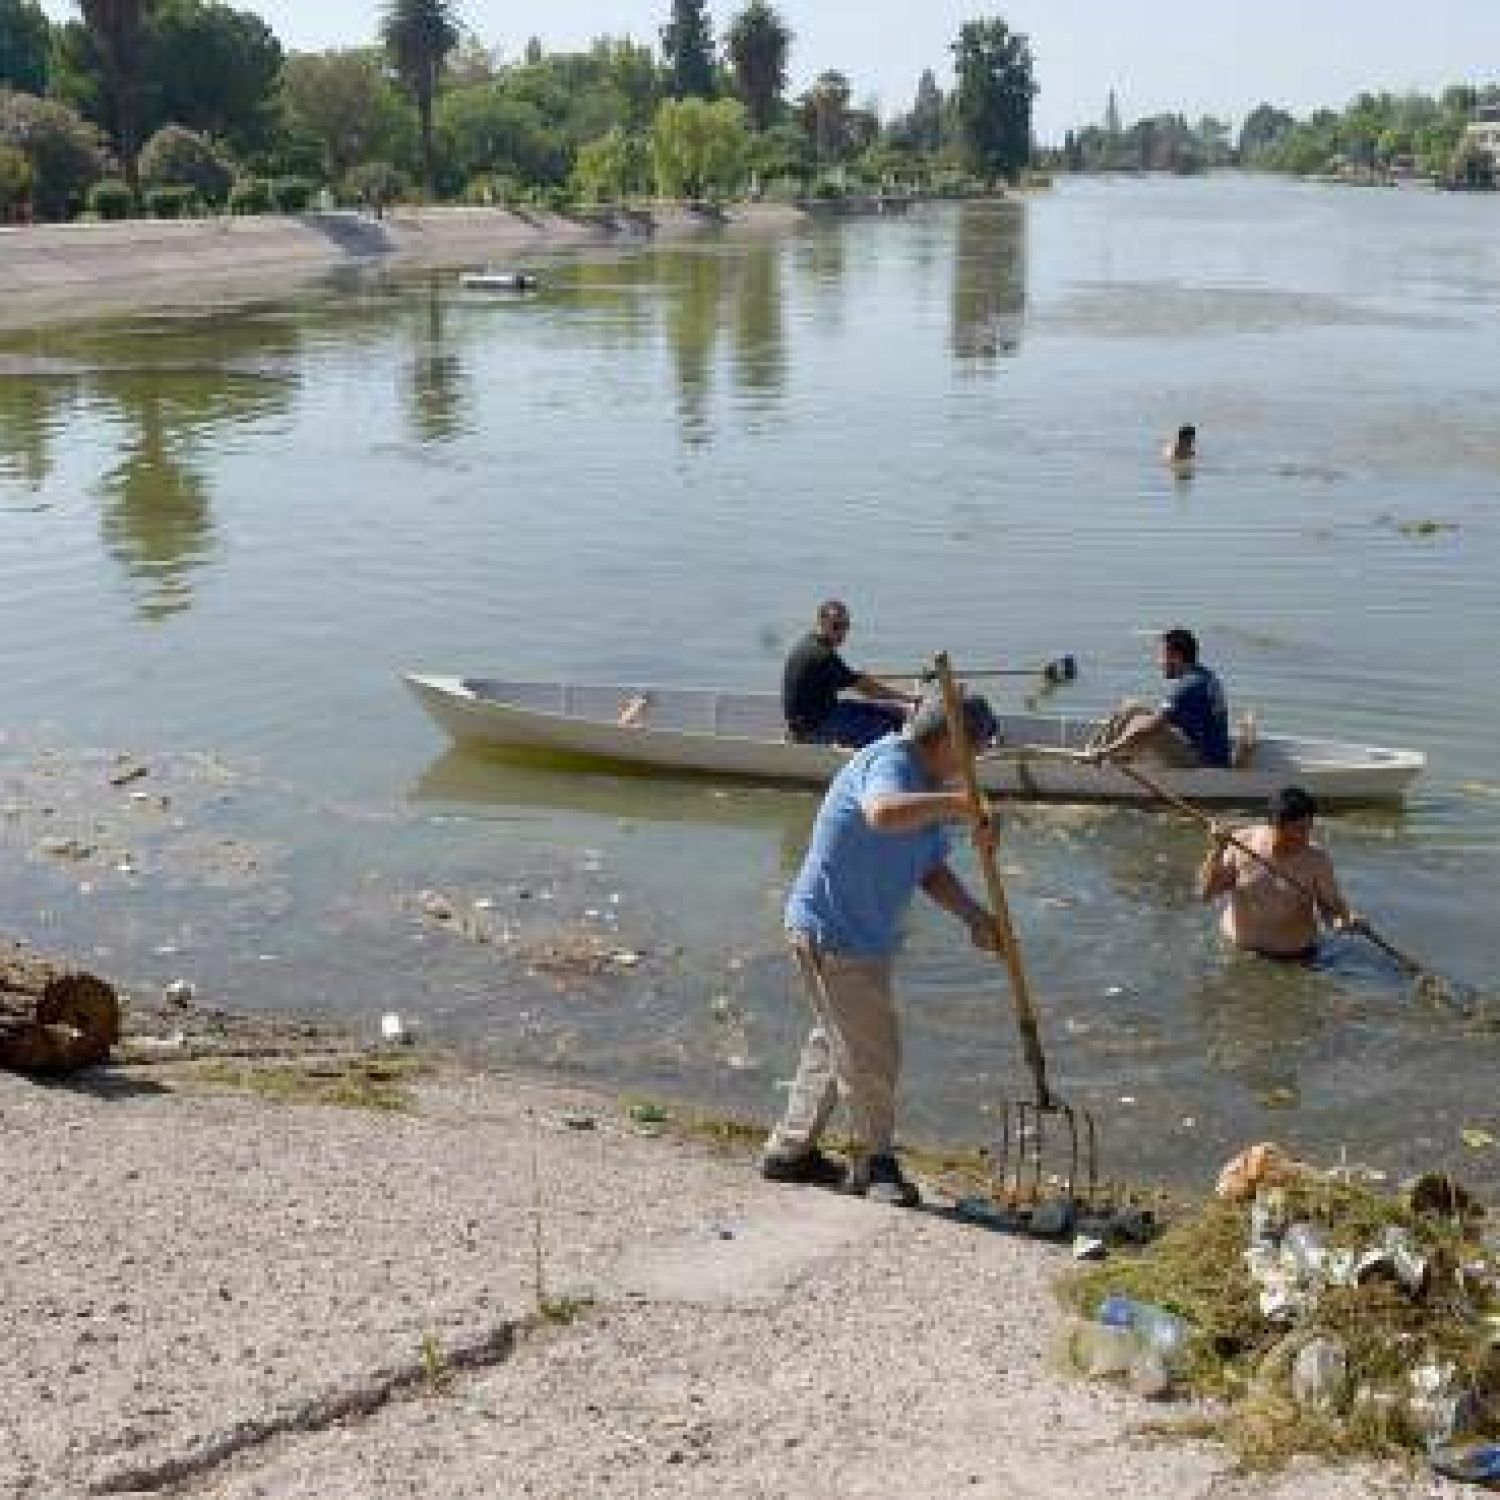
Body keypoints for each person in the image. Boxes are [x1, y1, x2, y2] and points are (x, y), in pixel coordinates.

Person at [761, 691, 1006, 1209]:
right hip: (835, 932)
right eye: (976, 748)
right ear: (949, 741)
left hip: (848, 931)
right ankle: (877, 1164)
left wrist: (975, 917)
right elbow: (882, 813)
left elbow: (930, 870)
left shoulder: (931, 782)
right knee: (874, 1052)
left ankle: (790, 1151)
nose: (977, 761)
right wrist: (961, 804)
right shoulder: (890, 761)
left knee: (836, 1043)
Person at [1198, 786, 1363, 962]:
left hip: (1295, 957)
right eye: (1297, 831)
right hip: (1238, 953)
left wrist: (1344, 921)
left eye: (1308, 829)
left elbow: (1330, 908)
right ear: (1274, 825)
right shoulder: (1241, 844)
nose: (1304, 838)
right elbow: (1206, 894)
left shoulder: (1317, 860)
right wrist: (1216, 850)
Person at [1087, 627, 1232, 770]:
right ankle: (1101, 758)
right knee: (1133, 707)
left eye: (1162, 656)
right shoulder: (1203, 675)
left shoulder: (1190, 685)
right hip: (1204, 753)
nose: (1159, 662)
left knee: (1145, 724)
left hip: (1207, 767)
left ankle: (1104, 760)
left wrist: (1108, 749)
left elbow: (1149, 728)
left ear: (1176, 656)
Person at [782, 601, 918, 748]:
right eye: (836, 627)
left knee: (894, 713)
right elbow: (868, 690)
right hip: (813, 726)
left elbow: (852, 680)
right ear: (820, 623)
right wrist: (908, 697)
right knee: (887, 731)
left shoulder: (810, 642)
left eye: (845, 626)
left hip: (827, 711)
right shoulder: (821, 655)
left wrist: (859, 679)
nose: (841, 633)